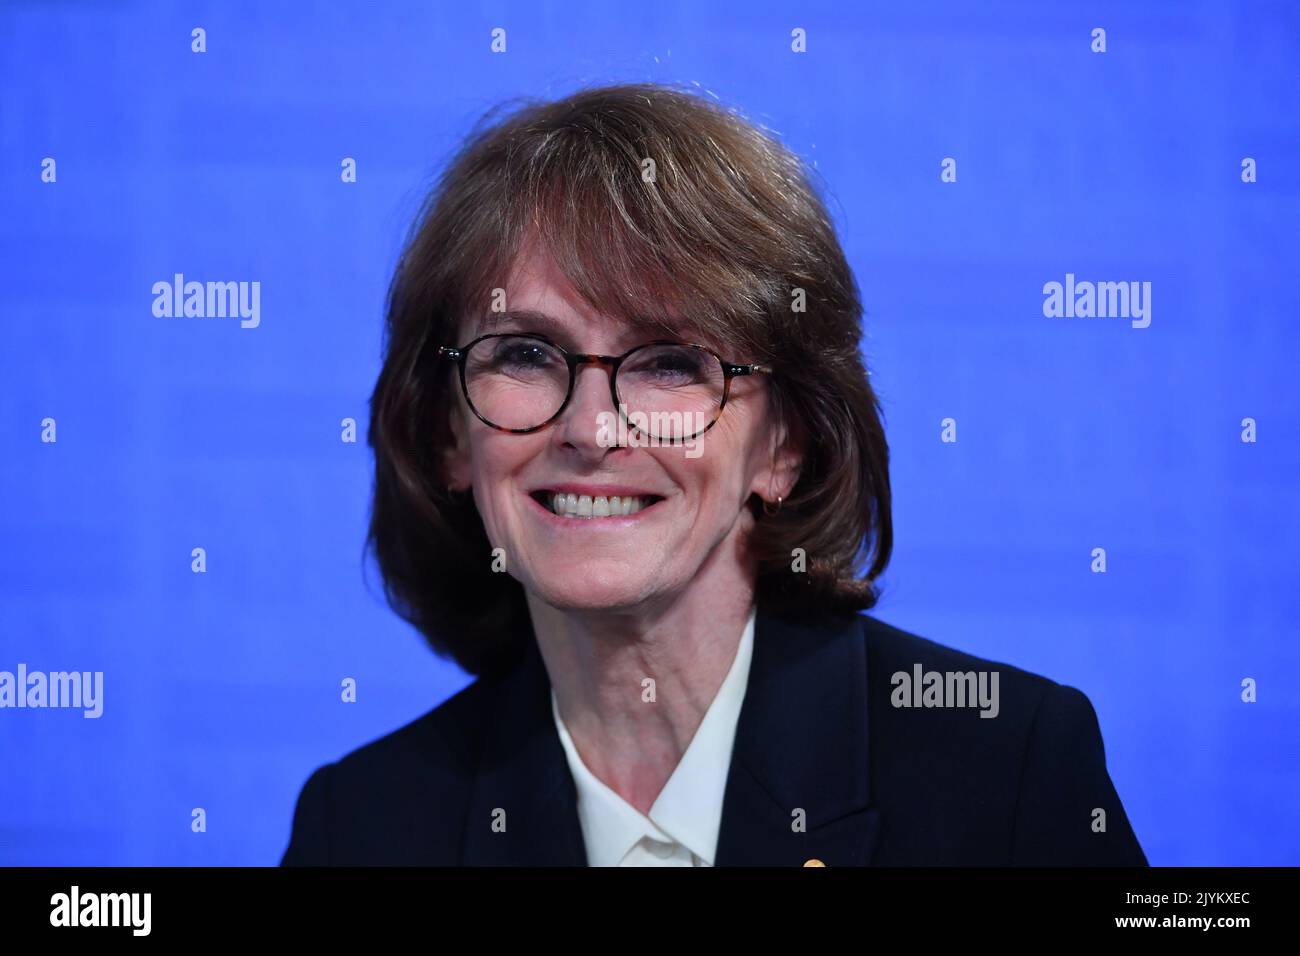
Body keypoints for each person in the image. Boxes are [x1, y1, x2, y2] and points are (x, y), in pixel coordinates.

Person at [280, 82, 1146, 866]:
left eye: (667, 362)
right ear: (448, 435)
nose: (591, 428)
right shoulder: (362, 828)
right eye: (527, 353)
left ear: (786, 443)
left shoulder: (1007, 772)